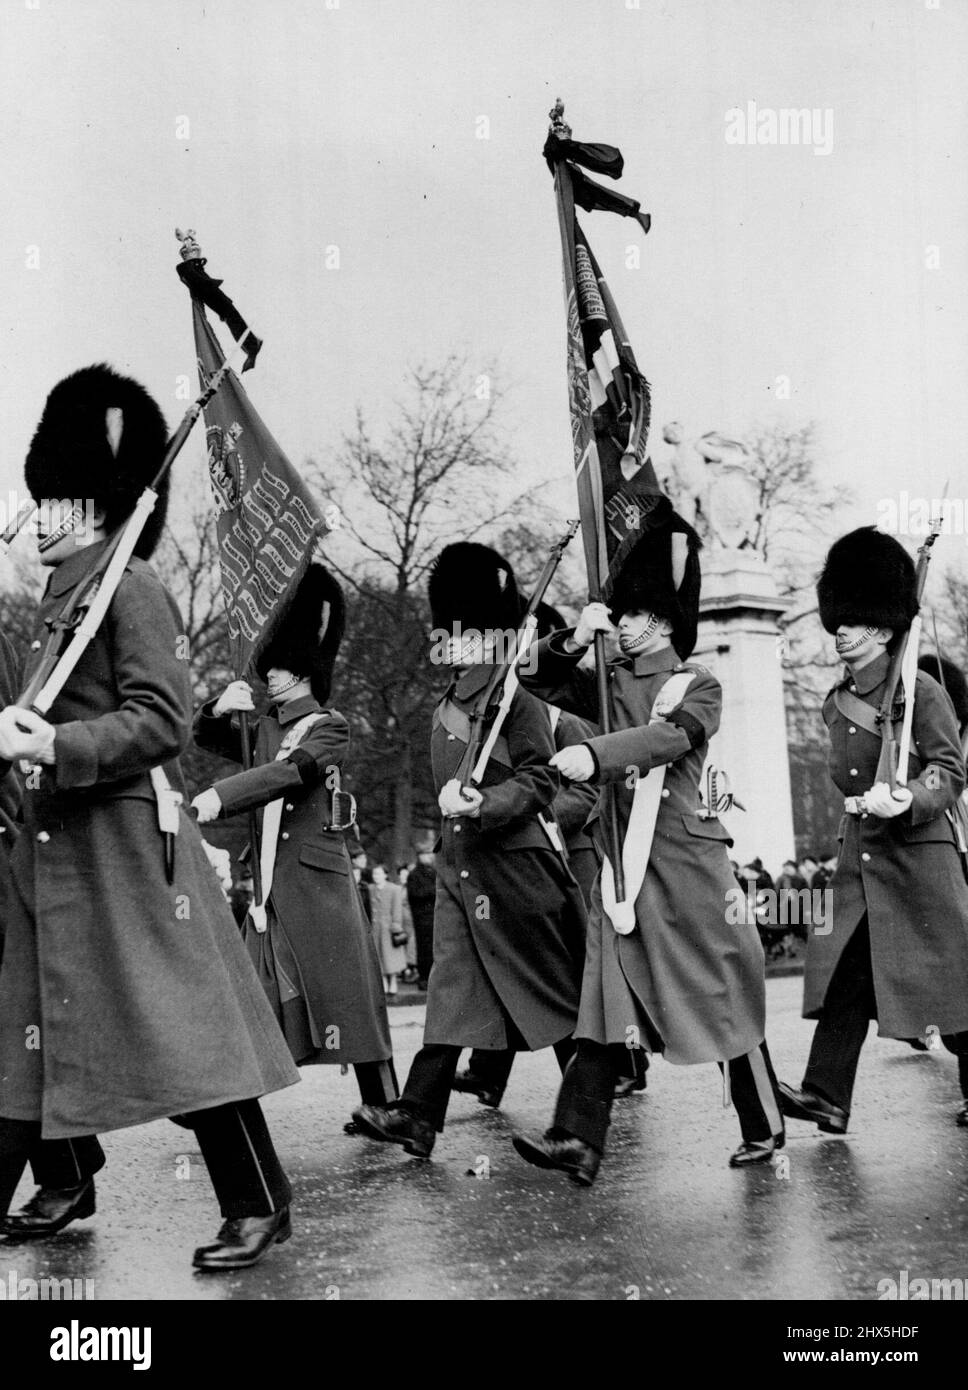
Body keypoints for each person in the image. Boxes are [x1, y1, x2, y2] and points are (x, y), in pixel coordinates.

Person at [0, 365, 299, 1270]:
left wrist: (56, 748)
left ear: (88, 508)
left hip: (123, 851)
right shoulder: (57, 607)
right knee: (20, 1030)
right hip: (52, 854)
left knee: (179, 1034)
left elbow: (162, 721)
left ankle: (260, 1198)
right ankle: (61, 1179)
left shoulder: (132, 593)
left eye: (48, 501)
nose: (33, 517)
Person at [512, 505, 784, 1184]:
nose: (623, 623)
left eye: (631, 614)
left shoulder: (698, 683)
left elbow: (670, 739)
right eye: (620, 614)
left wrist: (595, 755)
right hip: (618, 864)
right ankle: (577, 1139)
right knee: (605, 1002)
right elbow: (530, 679)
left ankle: (764, 1122)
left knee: (717, 993)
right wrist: (575, 638)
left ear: (661, 620)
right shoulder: (602, 675)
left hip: (683, 861)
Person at [351, 542, 586, 1159]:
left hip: (515, 865)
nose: (448, 643)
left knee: (553, 990)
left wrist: (487, 803)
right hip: (461, 868)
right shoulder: (450, 703)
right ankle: (420, 1115)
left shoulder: (518, 700)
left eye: (461, 633)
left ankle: (586, 1112)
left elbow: (541, 780)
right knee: (450, 989)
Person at [192, 561, 398, 1124]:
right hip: (267, 884)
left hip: (313, 878)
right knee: (249, 990)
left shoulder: (330, 725)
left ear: (306, 670)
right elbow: (202, 732)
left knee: (346, 994)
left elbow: (291, 774)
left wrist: (222, 795)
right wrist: (218, 706)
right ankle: (221, 1092)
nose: (271, 675)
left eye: (281, 665)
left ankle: (384, 1104)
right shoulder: (260, 729)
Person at [778, 528, 968, 1134]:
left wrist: (907, 795)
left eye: (857, 621)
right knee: (849, 977)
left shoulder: (922, 690)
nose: (841, 631)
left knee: (952, 989)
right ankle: (826, 1095)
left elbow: (950, 770)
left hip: (918, 856)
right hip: (864, 861)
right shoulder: (837, 701)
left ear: (885, 629)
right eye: (840, 619)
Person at [451, 602, 648, 1109]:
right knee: (522, 961)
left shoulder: (570, 720)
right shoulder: (509, 710)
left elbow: (587, 794)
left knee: (578, 967)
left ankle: (625, 1064)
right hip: (534, 852)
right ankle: (488, 1072)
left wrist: (537, 814)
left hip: (574, 855)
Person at [368, 863, 407, 995]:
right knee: (378, 955)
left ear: (385, 875)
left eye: (379, 874)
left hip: (389, 929)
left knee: (391, 956)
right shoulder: (370, 889)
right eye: (374, 874)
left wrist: (396, 926)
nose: (376, 876)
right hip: (375, 928)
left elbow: (397, 910)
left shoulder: (394, 889)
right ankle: (383, 981)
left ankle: (394, 981)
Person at [405, 842, 437, 988]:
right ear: (420, 856)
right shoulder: (414, 875)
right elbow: (414, 894)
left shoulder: (433, 872)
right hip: (422, 917)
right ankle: (424, 977)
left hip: (432, 915)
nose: (429, 857)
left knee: (432, 947)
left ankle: (430, 977)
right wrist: (432, 892)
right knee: (424, 948)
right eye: (426, 854)